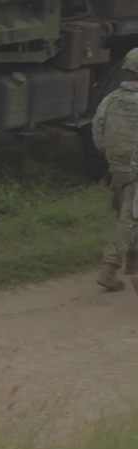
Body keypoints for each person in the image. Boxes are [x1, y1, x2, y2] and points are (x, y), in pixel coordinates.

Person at [92, 49, 138, 291]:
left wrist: (111, 158)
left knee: (128, 216)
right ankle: (109, 270)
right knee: (130, 220)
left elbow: (98, 134)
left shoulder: (110, 99)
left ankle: (132, 264)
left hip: (117, 170)